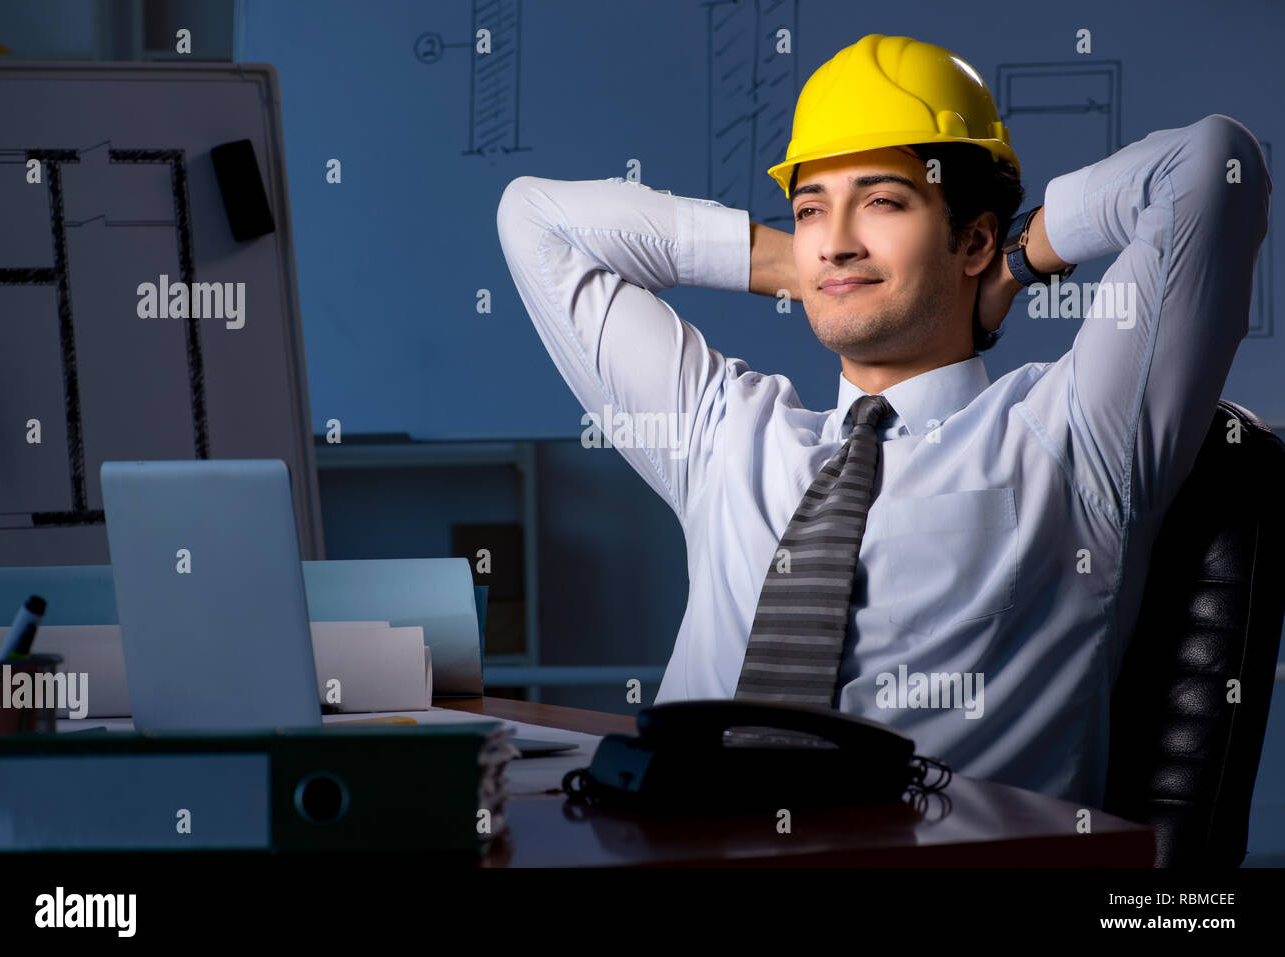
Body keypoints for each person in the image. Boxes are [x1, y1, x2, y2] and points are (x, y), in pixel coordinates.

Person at [495, 33, 1271, 807]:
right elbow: (535, 219)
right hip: (675, 852)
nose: (835, 241)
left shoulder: (1070, 435)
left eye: (881, 202)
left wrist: (1017, 259)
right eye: (810, 208)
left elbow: (1209, 168)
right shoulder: (723, 433)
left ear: (971, 237)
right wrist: (797, 266)